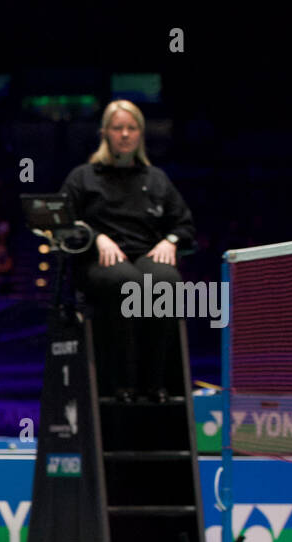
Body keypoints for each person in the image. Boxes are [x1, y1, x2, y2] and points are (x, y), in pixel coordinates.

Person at [60, 99, 196, 402]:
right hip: (99, 263)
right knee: (128, 283)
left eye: (131, 128)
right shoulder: (83, 177)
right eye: (118, 128)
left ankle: (157, 385)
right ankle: (121, 385)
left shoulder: (156, 179)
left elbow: (185, 225)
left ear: (140, 134)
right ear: (105, 133)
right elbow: (62, 221)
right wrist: (96, 237)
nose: (125, 134)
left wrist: (170, 240)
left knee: (165, 282)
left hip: (145, 257)